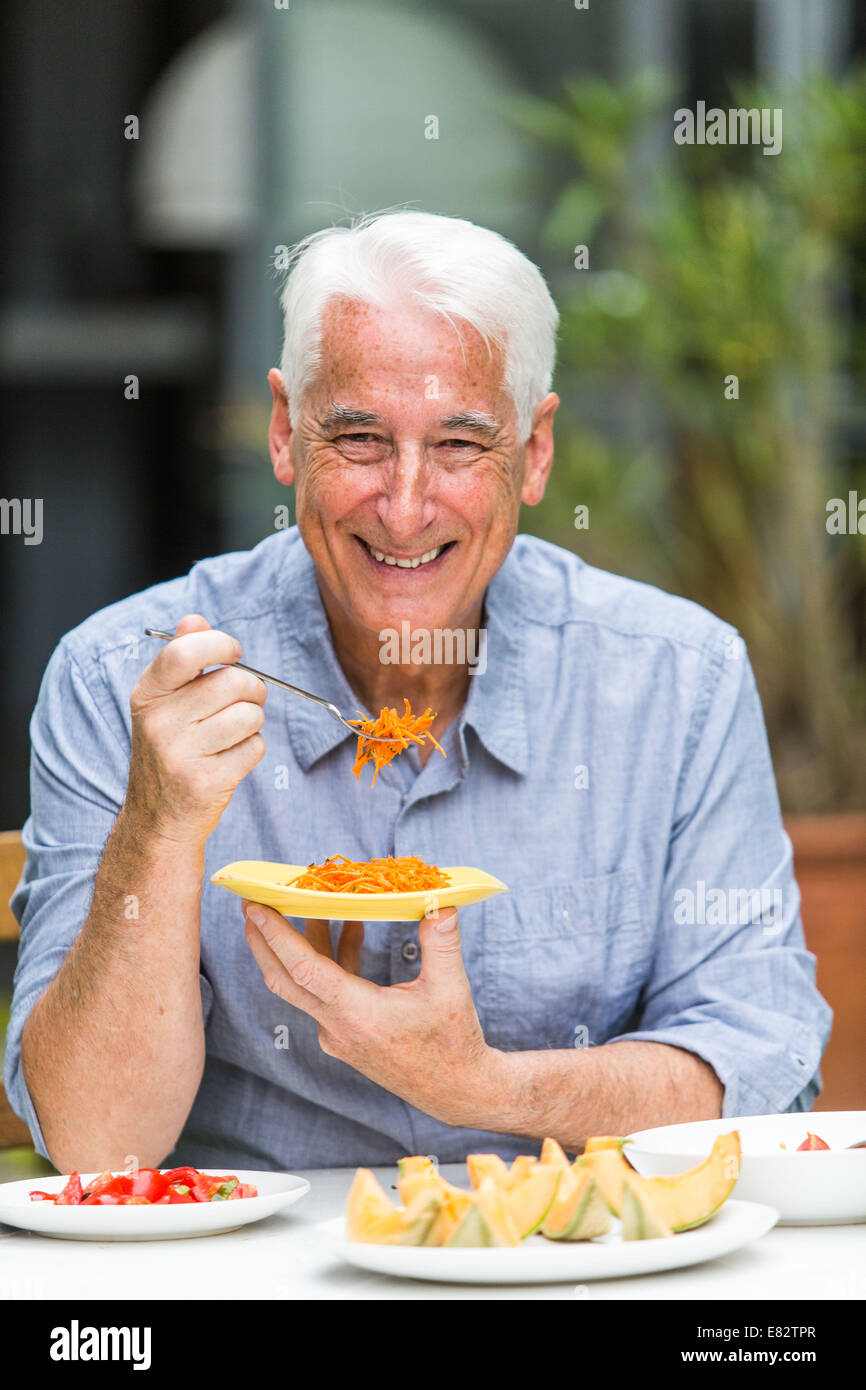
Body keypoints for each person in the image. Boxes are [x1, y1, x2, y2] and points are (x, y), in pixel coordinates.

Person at [5, 211, 830, 1172]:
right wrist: (161, 822)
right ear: (284, 435)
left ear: (536, 451)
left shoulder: (678, 679)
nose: (403, 508)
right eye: (358, 437)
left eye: (459, 446)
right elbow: (95, 1148)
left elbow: (756, 1059)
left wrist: (483, 1086)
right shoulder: (118, 679)